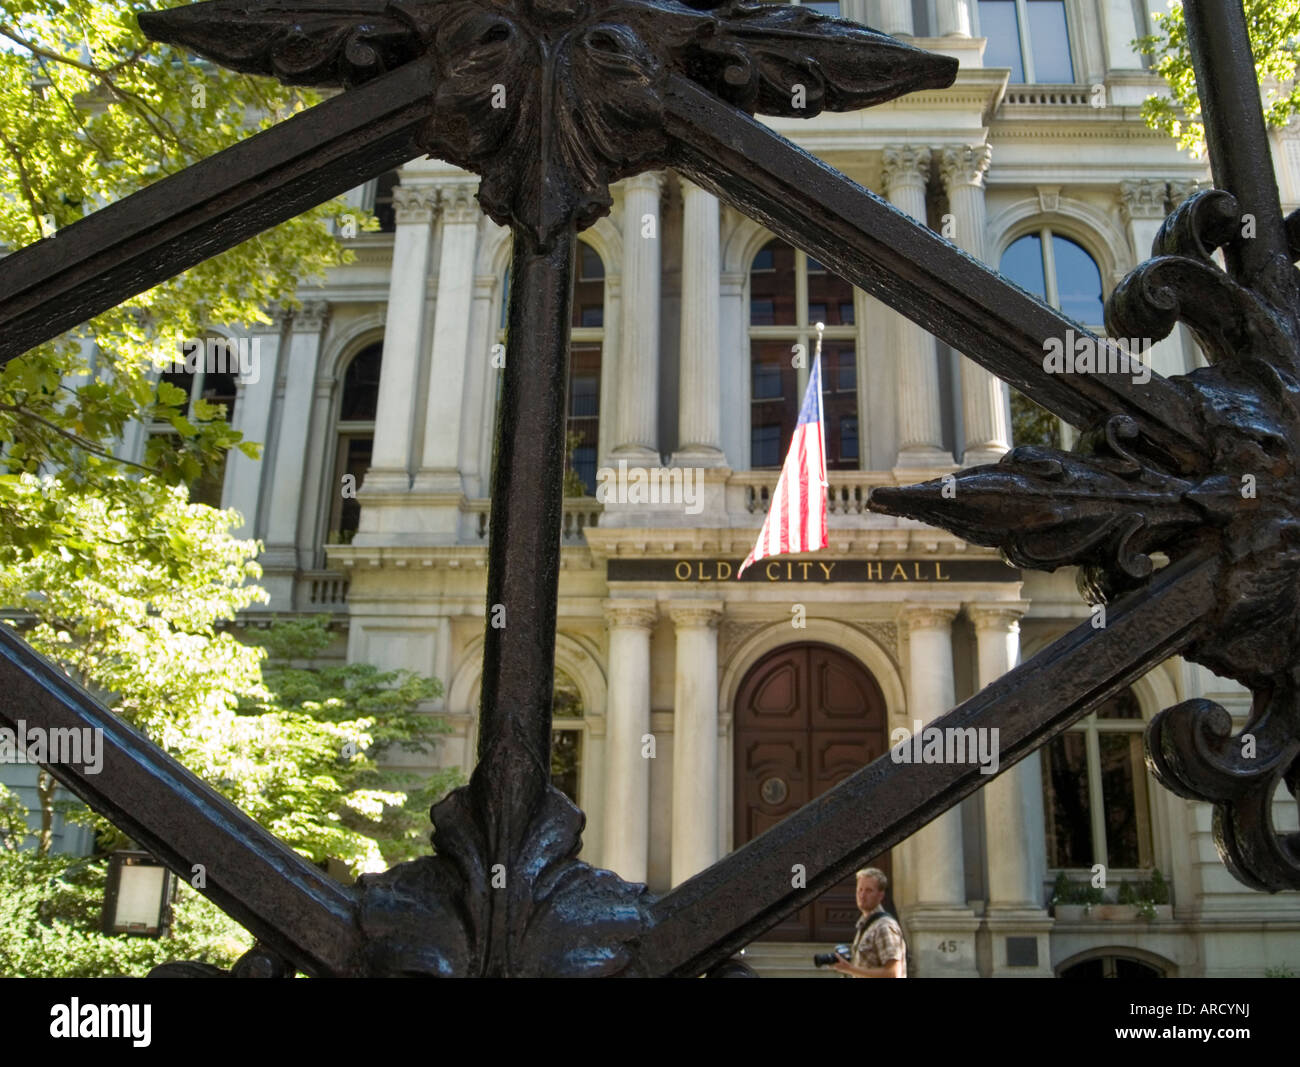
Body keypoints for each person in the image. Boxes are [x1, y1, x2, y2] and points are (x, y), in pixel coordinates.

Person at [831, 867, 906, 978]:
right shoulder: (866, 925)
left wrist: (850, 969)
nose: (862, 895)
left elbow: (893, 973)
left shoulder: (884, 926)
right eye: (860, 890)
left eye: (868, 890)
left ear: (881, 895)